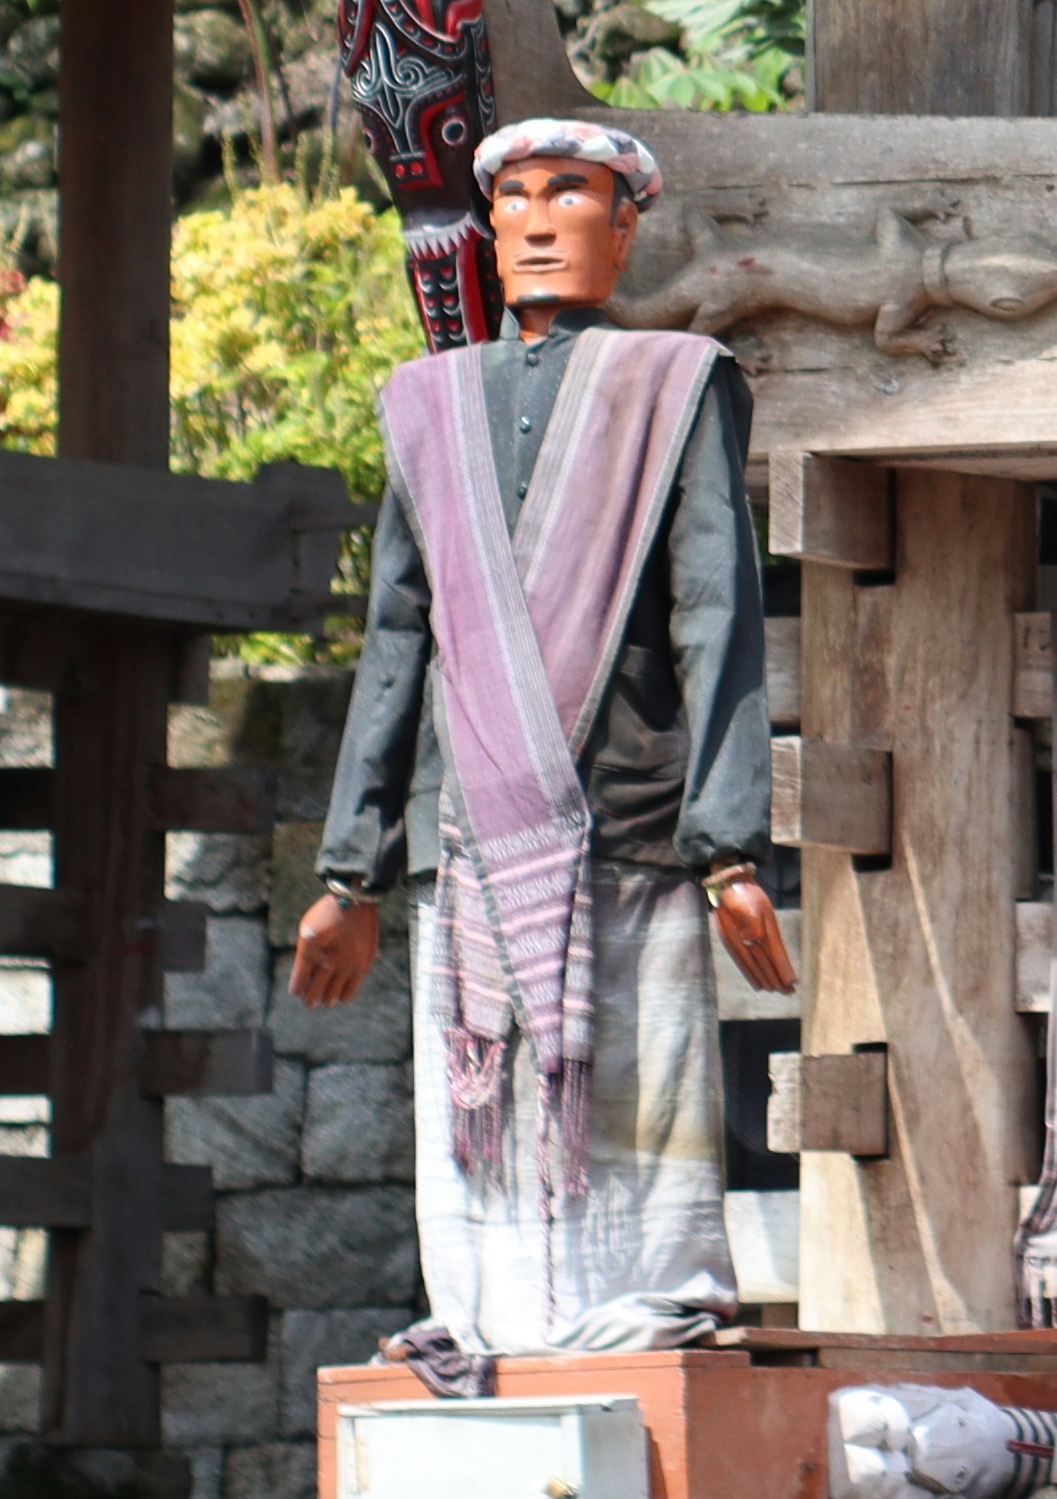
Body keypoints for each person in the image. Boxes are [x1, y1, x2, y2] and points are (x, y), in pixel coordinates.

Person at [295, 119, 795, 1359]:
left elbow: (715, 611)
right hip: (473, 840)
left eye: (568, 192)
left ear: (623, 228)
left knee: (639, 1112)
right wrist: (350, 869)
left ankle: (634, 1342)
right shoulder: (426, 404)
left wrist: (730, 847)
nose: (532, 217)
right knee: (483, 1134)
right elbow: (397, 637)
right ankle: (494, 1335)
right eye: (512, 194)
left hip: (626, 821)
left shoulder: (677, 382)